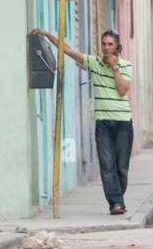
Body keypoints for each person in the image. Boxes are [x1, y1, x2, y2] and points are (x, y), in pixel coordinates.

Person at [32, 27, 133, 215]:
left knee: (122, 167)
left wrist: (115, 67)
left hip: (123, 123)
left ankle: (118, 196)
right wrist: (47, 36)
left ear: (117, 47)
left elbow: (122, 89)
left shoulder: (126, 65)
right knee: (107, 164)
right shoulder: (94, 63)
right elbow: (68, 50)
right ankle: (116, 203)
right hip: (103, 122)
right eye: (103, 44)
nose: (106, 48)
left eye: (110, 44)